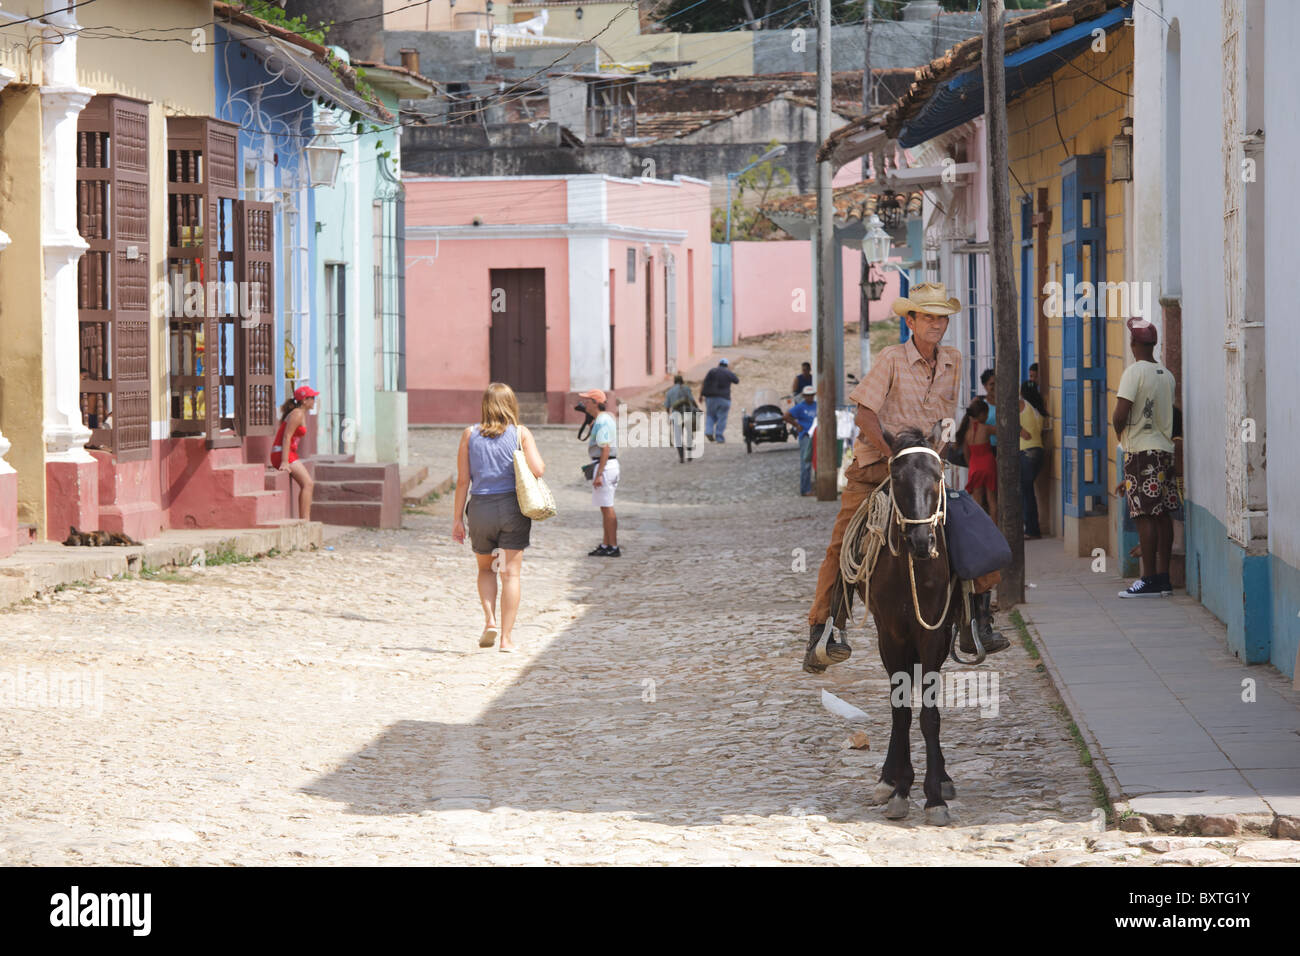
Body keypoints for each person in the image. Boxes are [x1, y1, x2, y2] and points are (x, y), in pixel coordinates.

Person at [802, 282, 1008, 675]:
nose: (936, 324)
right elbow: (864, 414)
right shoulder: (891, 358)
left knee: (970, 528)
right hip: (876, 467)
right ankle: (824, 630)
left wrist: (933, 460)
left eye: (941, 317)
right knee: (842, 542)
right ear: (910, 321)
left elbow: (946, 420)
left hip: (925, 471)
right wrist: (895, 454)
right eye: (928, 317)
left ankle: (978, 620)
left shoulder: (952, 359)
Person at [452, 383, 546, 653]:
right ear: (511, 404)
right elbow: (538, 470)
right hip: (511, 508)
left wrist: (457, 519)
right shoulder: (521, 434)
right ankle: (506, 639)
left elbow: (462, 481)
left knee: (485, 569)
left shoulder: (469, 435)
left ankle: (489, 620)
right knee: (510, 574)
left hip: (480, 508)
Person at [1114, 318, 1179, 598]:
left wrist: (1122, 437)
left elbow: (1120, 413)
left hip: (1140, 450)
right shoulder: (1167, 374)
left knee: (1143, 515)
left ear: (1133, 344)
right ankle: (1164, 578)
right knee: (1162, 515)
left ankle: (1148, 578)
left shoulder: (1133, 373)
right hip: (1164, 451)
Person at [579, 388, 621, 557]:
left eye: (588, 401)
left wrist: (599, 474)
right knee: (605, 508)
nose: (585, 404)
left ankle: (613, 546)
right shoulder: (602, 419)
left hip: (605, 465)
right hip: (606, 465)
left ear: (595, 403)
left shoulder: (603, 421)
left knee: (608, 507)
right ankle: (606, 544)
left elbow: (605, 448)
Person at [271, 385, 318, 521]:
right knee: (308, 484)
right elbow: (287, 437)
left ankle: (305, 519)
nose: (314, 401)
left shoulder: (299, 413)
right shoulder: (297, 414)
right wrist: (284, 462)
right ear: (304, 400)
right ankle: (305, 521)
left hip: (290, 453)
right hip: (282, 454)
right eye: (312, 398)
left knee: (308, 484)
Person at [957, 397, 997, 518]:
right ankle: (995, 529)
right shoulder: (986, 429)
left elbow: (966, 453)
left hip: (974, 466)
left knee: (977, 501)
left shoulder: (966, 432)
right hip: (989, 464)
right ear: (982, 414)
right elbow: (1003, 431)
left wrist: (972, 466)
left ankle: (979, 528)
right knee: (992, 500)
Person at [1019, 382, 1046, 539]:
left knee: (1025, 492)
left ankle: (1031, 529)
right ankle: (1032, 527)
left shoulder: (1021, 404)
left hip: (1026, 452)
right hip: (1038, 450)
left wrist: (1019, 430)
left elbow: (1007, 417)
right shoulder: (1037, 408)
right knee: (1028, 491)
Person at [783, 384, 818, 496]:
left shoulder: (817, 405)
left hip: (816, 436)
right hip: (806, 436)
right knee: (806, 463)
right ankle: (805, 489)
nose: (810, 397)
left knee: (817, 462)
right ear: (804, 396)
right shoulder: (800, 407)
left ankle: (816, 487)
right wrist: (797, 425)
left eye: (811, 395)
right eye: (807, 395)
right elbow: (786, 416)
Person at [699, 357, 739, 443]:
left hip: (710, 398)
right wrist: (730, 372)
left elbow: (704, 383)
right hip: (724, 399)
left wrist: (701, 395)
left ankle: (708, 431)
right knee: (722, 418)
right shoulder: (728, 372)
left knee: (710, 415)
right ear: (727, 365)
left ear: (719, 364)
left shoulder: (712, 371)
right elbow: (736, 381)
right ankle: (719, 437)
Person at [664, 373, 700, 463]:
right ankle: (689, 455)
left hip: (676, 414)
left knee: (678, 436)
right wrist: (697, 409)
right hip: (687, 413)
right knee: (689, 434)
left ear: (674, 382)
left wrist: (668, 415)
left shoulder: (670, 391)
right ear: (682, 381)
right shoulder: (686, 389)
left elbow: (667, 406)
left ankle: (681, 457)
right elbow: (692, 400)